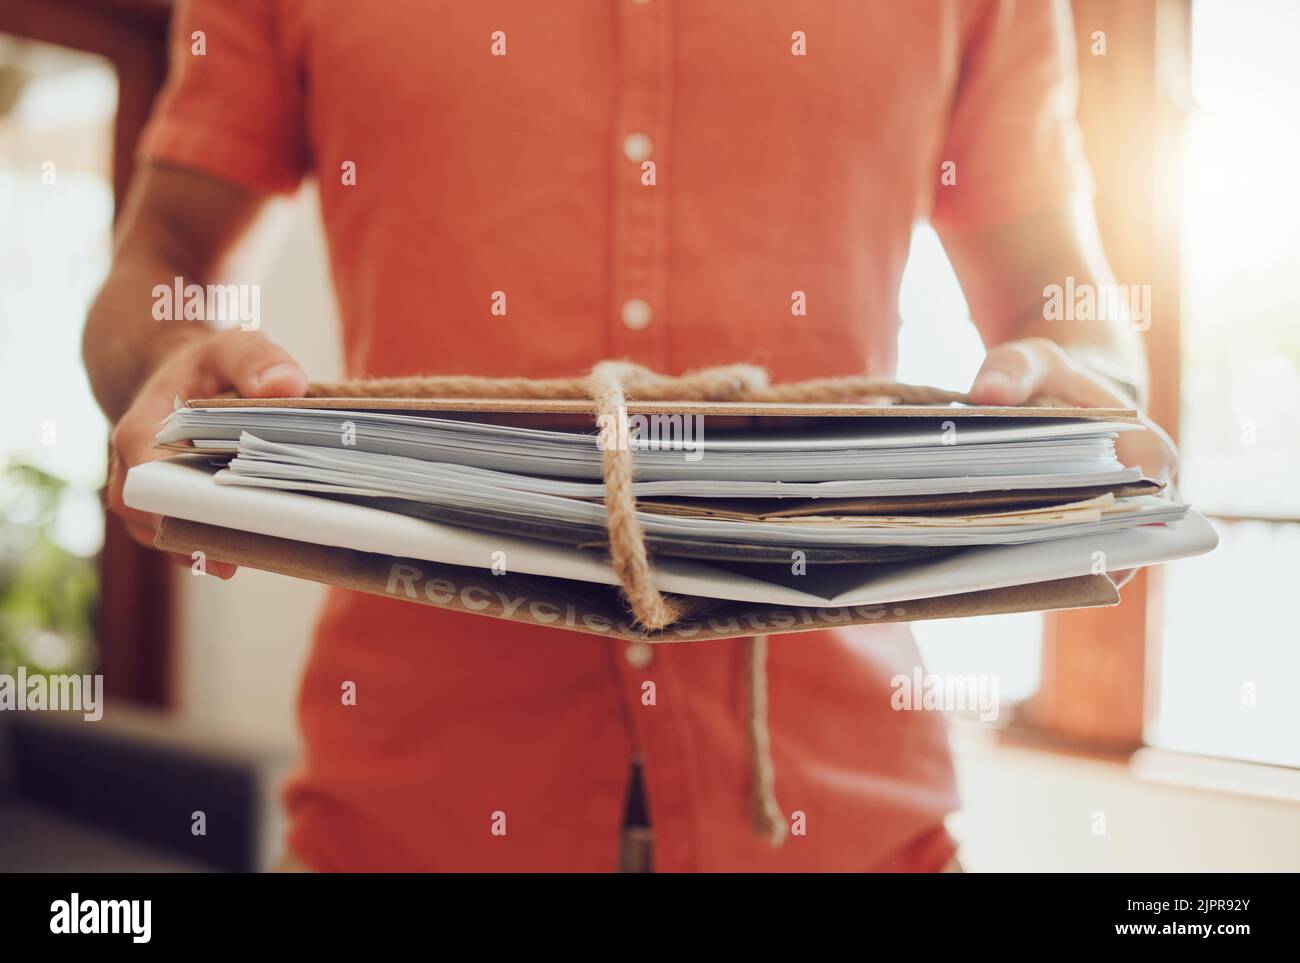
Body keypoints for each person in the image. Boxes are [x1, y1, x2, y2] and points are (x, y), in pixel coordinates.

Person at [84, 0, 1174, 871]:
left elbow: (1066, 308)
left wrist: (1087, 397)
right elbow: (163, 256)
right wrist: (162, 372)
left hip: (845, 818)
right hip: (408, 815)